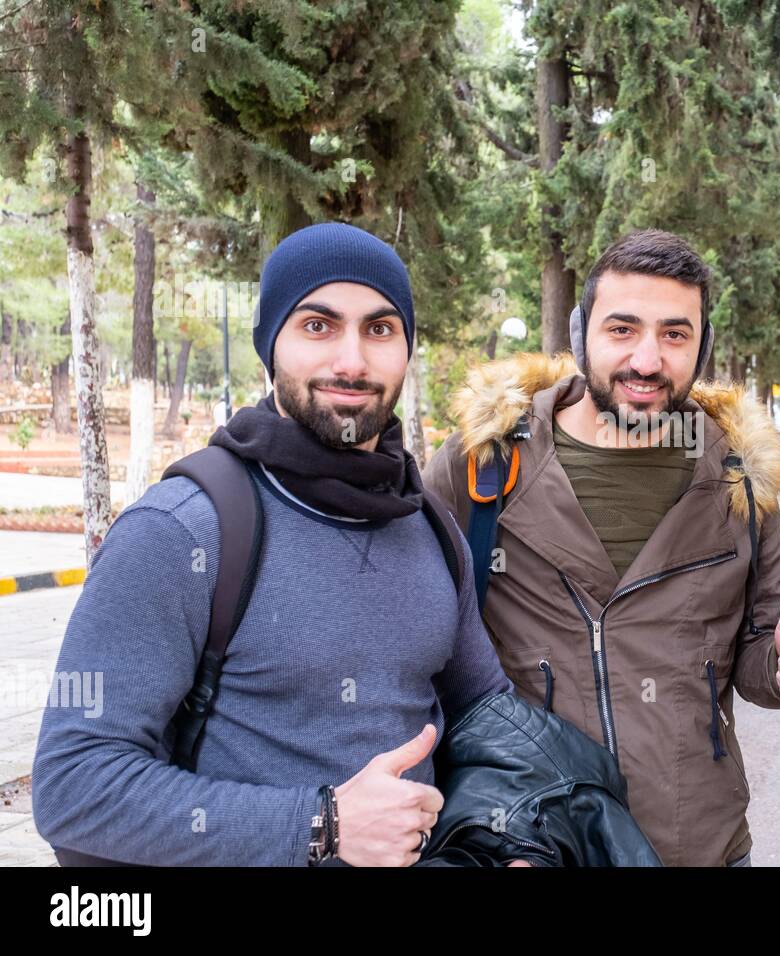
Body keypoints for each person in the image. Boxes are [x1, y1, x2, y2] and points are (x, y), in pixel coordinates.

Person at [33, 222, 513, 866]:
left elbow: (489, 721)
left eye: (380, 328)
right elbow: (72, 785)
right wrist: (323, 824)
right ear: (270, 346)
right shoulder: (181, 529)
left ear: (406, 350)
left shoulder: (429, 527)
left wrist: (514, 842)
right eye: (318, 325)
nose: (352, 360)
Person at [425, 229, 780, 866]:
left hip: (699, 847)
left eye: (675, 334)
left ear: (702, 347)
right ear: (581, 332)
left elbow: (755, 649)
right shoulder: (482, 465)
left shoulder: (739, 476)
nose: (647, 360)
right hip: (536, 845)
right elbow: (421, 648)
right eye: (622, 329)